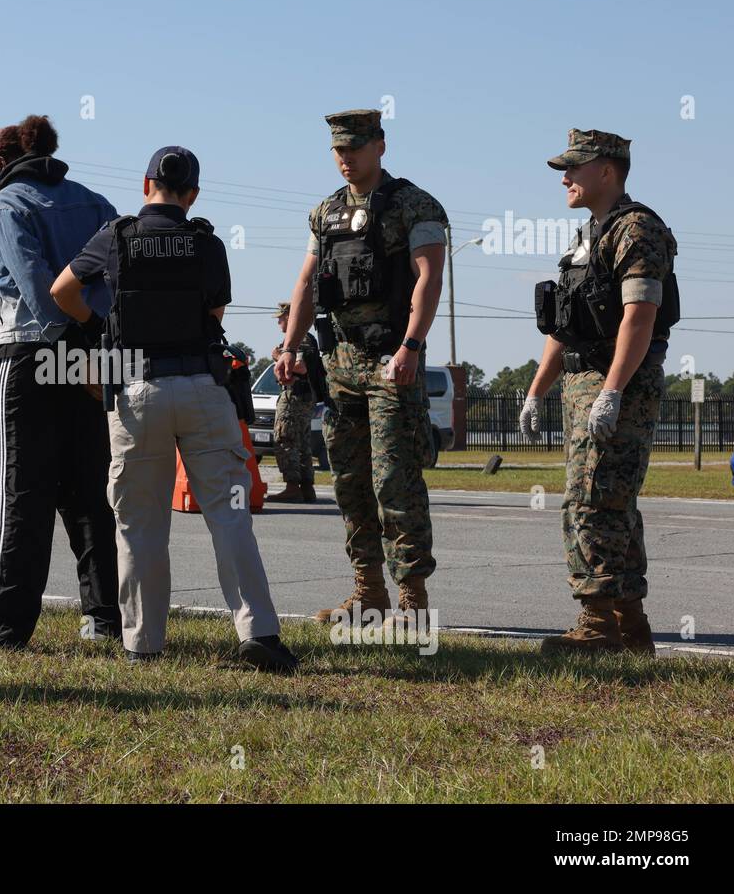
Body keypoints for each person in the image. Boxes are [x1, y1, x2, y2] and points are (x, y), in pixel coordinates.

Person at [51, 146, 298, 672]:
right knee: (230, 518)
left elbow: (62, 290)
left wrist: (102, 330)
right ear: (193, 195)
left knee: (138, 525)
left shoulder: (115, 237)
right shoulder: (206, 243)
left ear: (145, 186)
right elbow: (213, 313)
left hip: (137, 392)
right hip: (203, 391)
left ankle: (143, 643)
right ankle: (259, 632)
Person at [0, 114, 122, 650]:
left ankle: (4, 626)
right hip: (93, 359)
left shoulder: (6, 203)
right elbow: (118, 282)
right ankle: (104, 620)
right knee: (91, 493)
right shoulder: (97, 204)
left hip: (28, 353)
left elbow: (38, 289)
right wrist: (96, 349)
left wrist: (62, 337)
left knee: (18, 493)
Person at [276, 110, 447, 629]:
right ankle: (368, 592)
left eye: (355, 147)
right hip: (341, 363)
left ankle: (413, 603)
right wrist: (289, 346)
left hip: (392, 359)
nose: (346, 157)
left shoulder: (414, 204)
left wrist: (412, 346)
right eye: (338, 150)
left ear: (380, 146)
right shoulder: (325, 212)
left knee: (395, 480)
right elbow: (306, 283)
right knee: (349, 482)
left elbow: (429, 276)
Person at [521, 129, 678, 656]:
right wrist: (536, 392)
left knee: (591, 502)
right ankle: (630, 628)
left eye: (573, 167)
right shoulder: (587, 236)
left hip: (619, 383)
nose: (564, 177)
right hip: (581, 381)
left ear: (606, 170)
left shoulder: (637, 229)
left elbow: (640, 315)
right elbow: (564, 327)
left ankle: (598, 623)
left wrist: (612, 390)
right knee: (611, 502)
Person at [267, 302, 318, 503]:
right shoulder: (306, 338)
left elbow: (301, 366)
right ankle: (306, 487)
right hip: (302, 397)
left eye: (281, 317)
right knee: (302, 443)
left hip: (294, 397)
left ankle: (292, 487)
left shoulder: (301, 339)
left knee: (285, 439)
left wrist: (278, 355)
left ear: (291, 316)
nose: (279, 321)